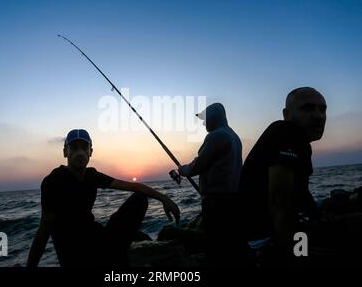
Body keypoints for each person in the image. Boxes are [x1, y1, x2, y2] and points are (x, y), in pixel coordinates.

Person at [27, 129, 180, 267]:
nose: (79, 153)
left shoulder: (92, 175)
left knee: (139, 199)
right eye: (74, 148)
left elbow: (135, 187)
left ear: (90, 152)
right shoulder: (53, 181)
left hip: (98, 240)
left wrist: (164, 199)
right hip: (72, 253)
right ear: (65, 152)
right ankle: (116, 255)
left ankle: (116, 252)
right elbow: (44, 229)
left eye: (84, 147)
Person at [240, 87, 327, 265]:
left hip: (268, 233)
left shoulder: (297, 140)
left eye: (322, 109)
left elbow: (297, 195)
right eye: (308, 108)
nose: (318, 115)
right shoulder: (287, 132)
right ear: (286, 114)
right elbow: (279, 201)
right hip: (267, 239)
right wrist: (296, 253)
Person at [170, 103, 246, 266]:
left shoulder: (216, 136)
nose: (203, 123)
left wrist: (182, 170)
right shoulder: (234, 136)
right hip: (234, 197)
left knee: (215, 243)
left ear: (213, 118)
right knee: (230, 241)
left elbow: (198, 165)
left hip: (216, 201)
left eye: (205, 119)